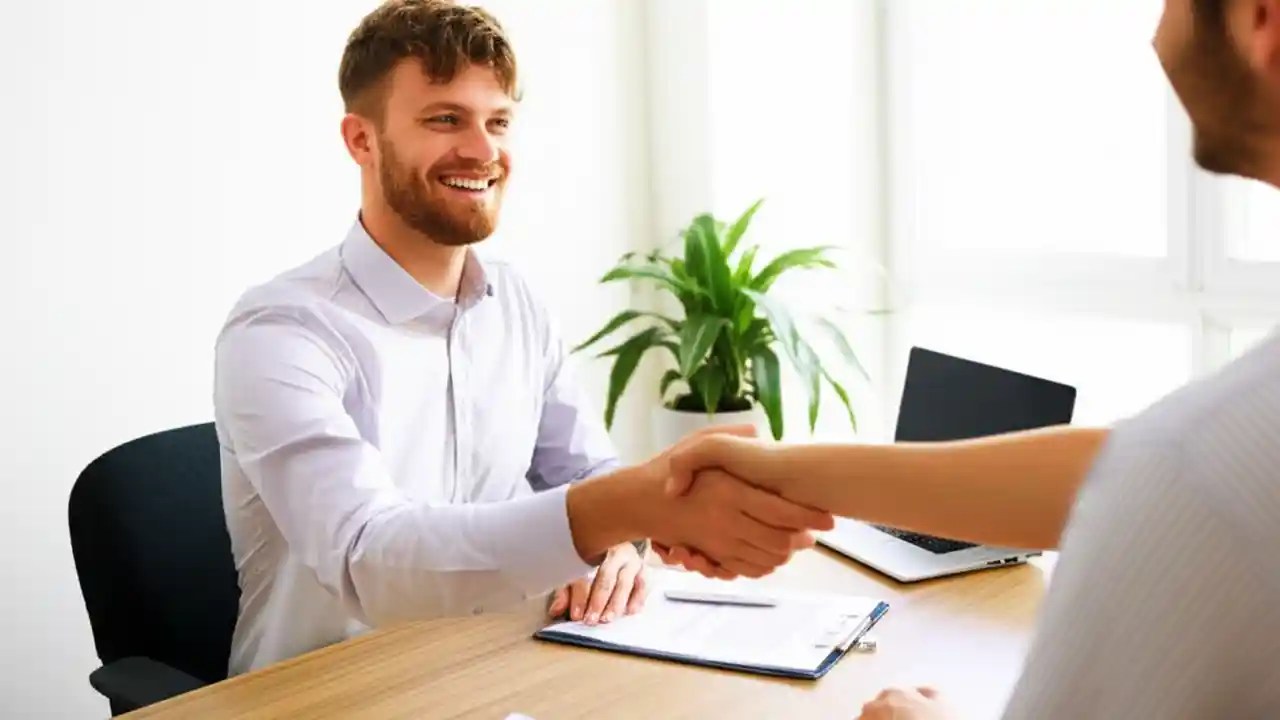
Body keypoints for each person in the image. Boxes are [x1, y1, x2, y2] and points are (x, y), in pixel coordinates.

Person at [663, 0, 1280, 717]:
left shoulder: (1199, 473)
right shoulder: (1204, 459)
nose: (1153, 26)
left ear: (1262, 18)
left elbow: (1162, 475)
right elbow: (1110, 474)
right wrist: (791, 471)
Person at [212, 0, 833, 676]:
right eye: (444, 119)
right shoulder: (280, 331)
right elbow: (369, 560)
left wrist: (620, 547)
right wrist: (625, 507)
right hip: (328, 694)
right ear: (361, 141)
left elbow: (585, 471)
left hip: (490, 670)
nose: (483, 151)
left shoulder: (518, 303)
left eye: (498, 121)